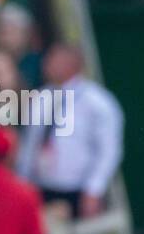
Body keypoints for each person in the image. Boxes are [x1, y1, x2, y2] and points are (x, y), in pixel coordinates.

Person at [17, 44, 124, 218]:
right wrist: (22, 181)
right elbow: (30, 144)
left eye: (54, 60)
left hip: (78, 191)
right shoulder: (40, 98)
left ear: (73, 64)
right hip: (40, 187)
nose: (47, 64)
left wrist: (94, 188)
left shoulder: (97, 102)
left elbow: (108, 150)